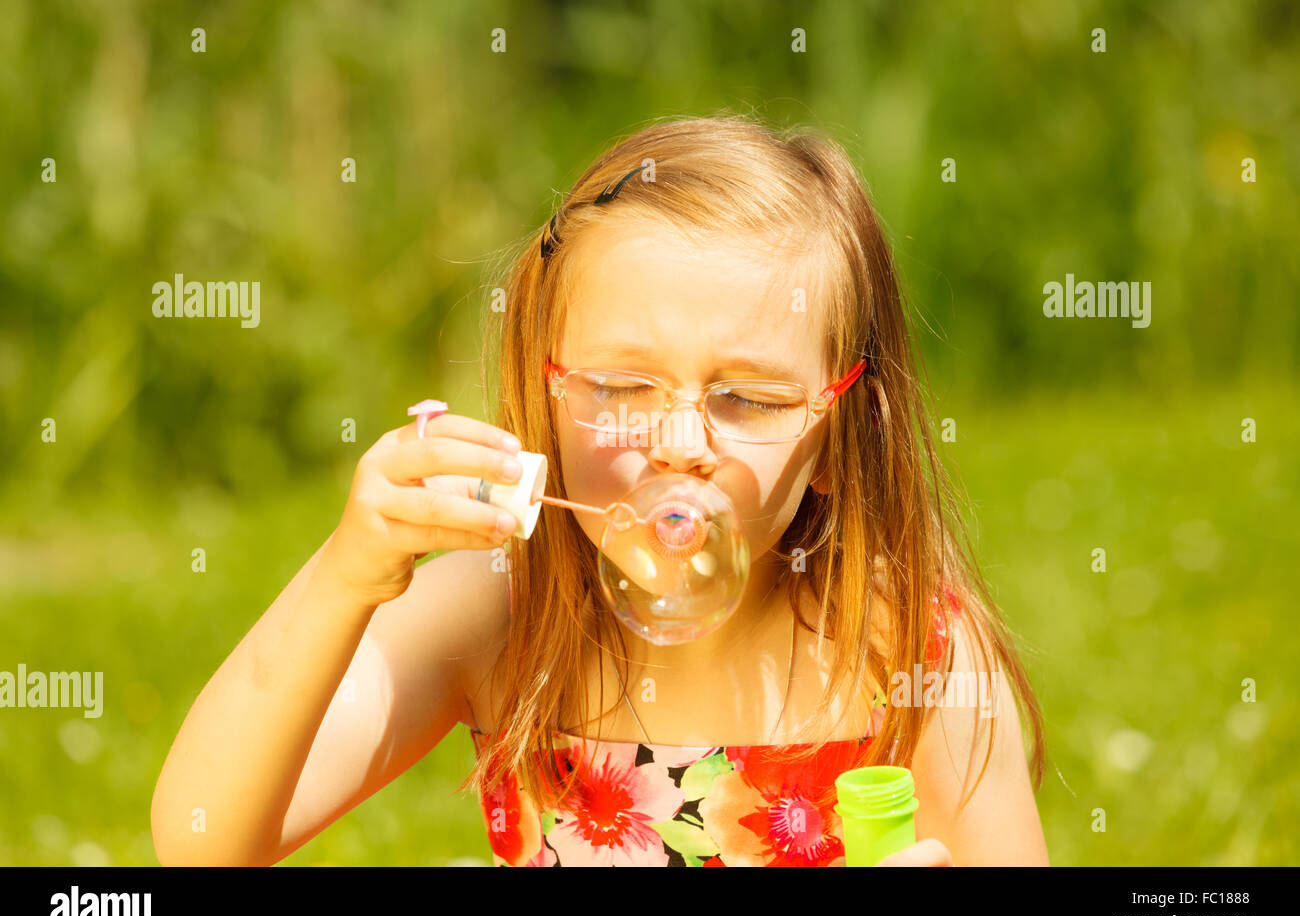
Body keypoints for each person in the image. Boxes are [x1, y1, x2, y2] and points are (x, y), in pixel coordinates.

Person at [151, 111, 1048, 867]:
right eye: (621, 388)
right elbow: (203, 842)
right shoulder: (497, 615)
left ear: (844, 426)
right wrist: (348, 573)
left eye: (749, 398)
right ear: (550, 382)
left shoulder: (907, 656)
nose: (680, 443)